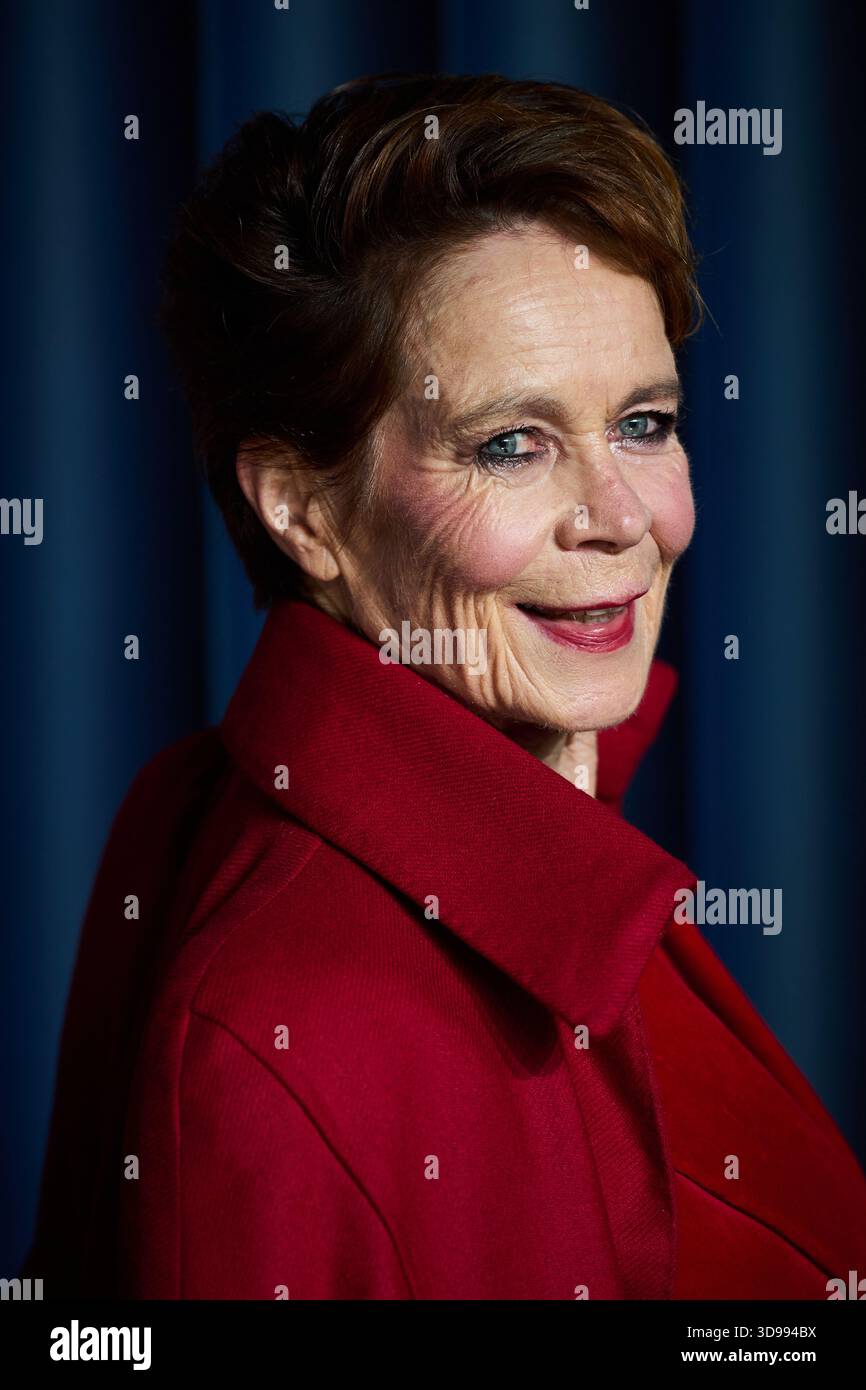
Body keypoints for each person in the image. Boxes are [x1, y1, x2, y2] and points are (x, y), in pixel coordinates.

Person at [23, 73, 866, 1299]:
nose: (624, 519)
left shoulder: (244, 804)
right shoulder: (284, 1035)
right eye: (509, 445)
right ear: (303, 510)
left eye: (639, 422)